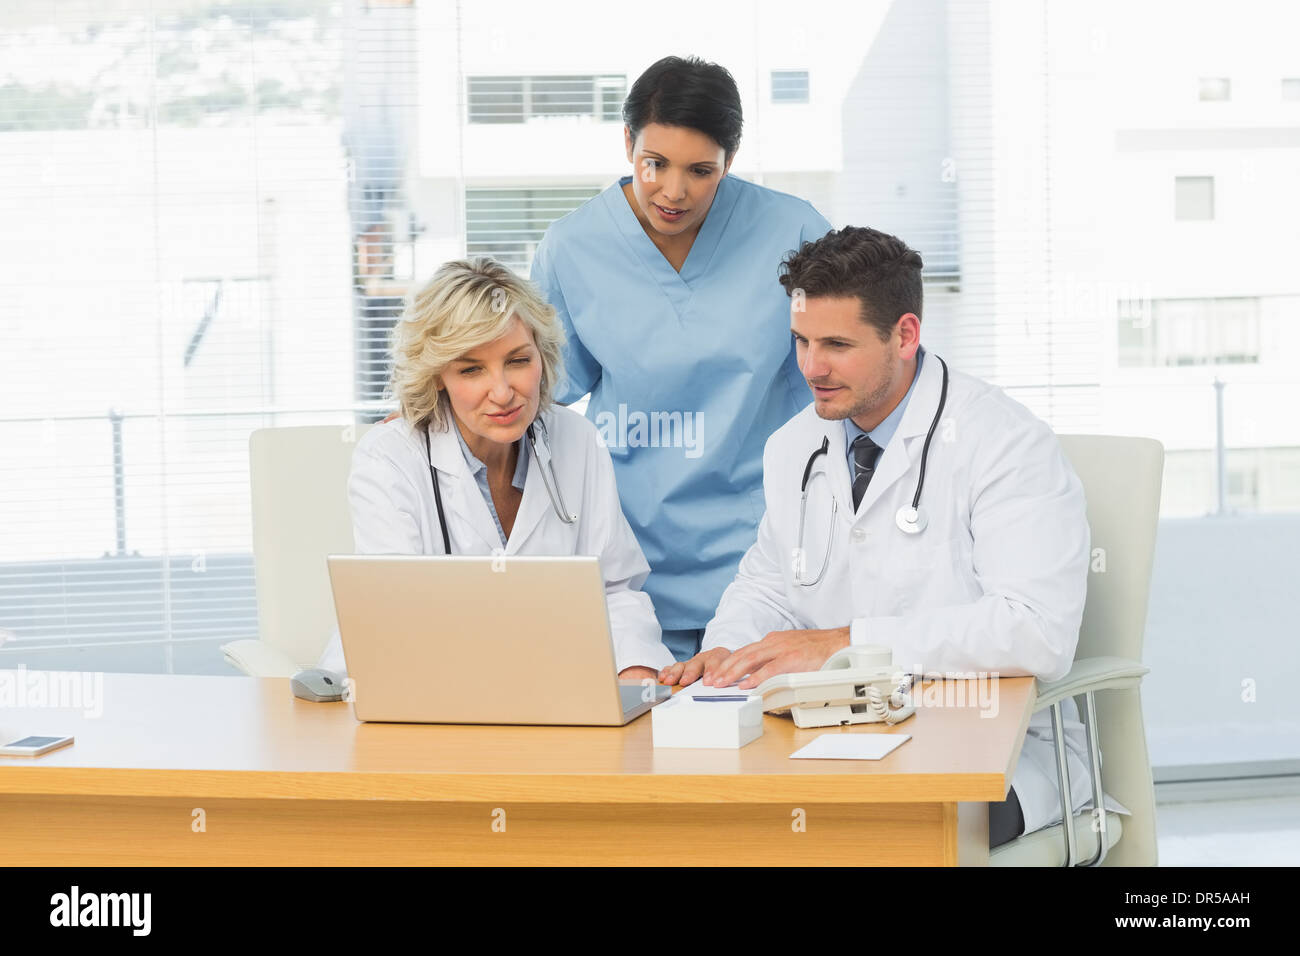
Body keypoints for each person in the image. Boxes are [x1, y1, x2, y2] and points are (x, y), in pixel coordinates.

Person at [659, 226, 1111, 847]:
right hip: (832, 735)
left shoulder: (1005, 442)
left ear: (905, 334)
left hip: (984, 746)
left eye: (837, 345)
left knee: (860, 836)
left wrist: (846, 644)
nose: (811, 367)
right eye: (801, 341)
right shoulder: (793, 446)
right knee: (702, 819)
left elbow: (1035, 630)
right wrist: (730, 656)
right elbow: (767, 583)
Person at [531, 55, 833, 663]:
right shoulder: (572, 247)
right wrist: (430, 416)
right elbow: (539, 391)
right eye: (655, 164)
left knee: (770, 742)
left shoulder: (793, 229)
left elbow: (853, 360)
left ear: (730, 162)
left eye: (701, 170)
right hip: (633, 554)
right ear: (627, 144)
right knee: (644, 743)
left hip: (771, 550)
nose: (674, 191)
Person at [318, 258, 674, 679]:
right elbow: (397, 614)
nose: (503, 392)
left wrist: (634, 668)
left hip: (553, 693)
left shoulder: (576, 439)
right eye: (471, 369)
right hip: (423, 691)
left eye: (518, 361)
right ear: (437, 377)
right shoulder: (390, 458)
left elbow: (615, 588)